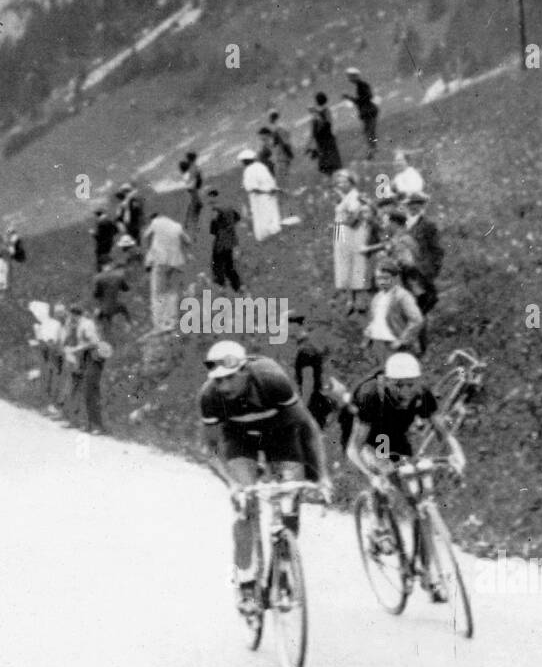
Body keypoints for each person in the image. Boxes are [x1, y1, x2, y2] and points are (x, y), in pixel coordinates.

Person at [199, 340, 333, 612]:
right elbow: (209, 449)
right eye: (218, 380)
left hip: (280, 435)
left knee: (289, 502)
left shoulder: (272, 381)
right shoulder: (209, 395)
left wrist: (322, 477)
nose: (223, 387)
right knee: (245, 505)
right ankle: (246, 582)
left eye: (229, 378)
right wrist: (233, 484)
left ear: (245, 371)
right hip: (240, 440)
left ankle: (283, 574)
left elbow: (308, 428)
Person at [343, 352, 465, 602]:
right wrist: (372, 474)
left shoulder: (421, 393)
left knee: (419, 502)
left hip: (396, 437)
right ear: (387, 381)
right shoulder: (371, 396)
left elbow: (441, 428)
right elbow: (355, 448)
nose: (406, 391)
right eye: (399, 385)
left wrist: (456, 453)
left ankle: (427, 573)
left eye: (411, 384)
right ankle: (379, 525)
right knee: (383, 471)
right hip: (370, 439)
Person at [364, 260, 424, 363]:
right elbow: (376, 320)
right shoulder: (377, 298)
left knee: (399, 375)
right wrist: (369, 332)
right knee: (382, 375)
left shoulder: (402, 296)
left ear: (395, 278)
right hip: (380, 345)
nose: (382, 282)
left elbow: (417, 320)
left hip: (398, 347)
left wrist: (402, 340)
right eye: (379, 278)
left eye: (386, 278)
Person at [60, 304, 107, 434]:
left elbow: (94, 342)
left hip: (94, 357)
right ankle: (83, 422)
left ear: (75, 315)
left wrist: (76, 349)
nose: (69, 318)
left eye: (70, 316)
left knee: (90, 390)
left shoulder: (87, 324)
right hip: (84, 358)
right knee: (78, 388)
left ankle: (97, 425)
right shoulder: (76, 324)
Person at [142, 212, 191, 332]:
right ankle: (172, 323)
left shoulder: (155, 222)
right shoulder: (177, 225)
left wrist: (149, 253)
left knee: (158, 293)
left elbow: (145, 236)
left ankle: (159, 325)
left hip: (160, 261)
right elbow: (188, 240)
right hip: (176, 262)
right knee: (172, 292)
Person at [331, 168, 370, 315]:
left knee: (353, 263)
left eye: (343, 181)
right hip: (340, 232)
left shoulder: (354, 196)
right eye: (338, 181)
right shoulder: (344, 196)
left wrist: (342, 223)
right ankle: (349, 298)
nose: (340, 184)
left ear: (351, 183)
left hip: (350, 233)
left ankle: (357, 300)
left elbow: (354, 216)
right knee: (342, 262)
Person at [403, 190, 443, 313]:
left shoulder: (428, 225)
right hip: (405, 268)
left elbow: (436, 250)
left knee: (422, 302)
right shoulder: (404, 224)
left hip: (421, 269)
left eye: (417, 203)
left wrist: (429, 270)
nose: (413, 206)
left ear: (422, 205)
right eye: (410, 204)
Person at [238, 148, 281, 241]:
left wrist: (264, 192)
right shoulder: (261, 166)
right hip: (270, 194)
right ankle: (275, 232)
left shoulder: (248, 171)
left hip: (259, 197)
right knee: (272, 214)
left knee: (261, 216)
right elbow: (270, 180)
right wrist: (271, 190)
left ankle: (265, 237)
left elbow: (252, 188)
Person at [209, 194, 242, 293]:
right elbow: (238, 217)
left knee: (217, 264)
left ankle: (221, 284)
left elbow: (213, 231)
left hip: (220, 244)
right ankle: (237, 286)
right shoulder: (230, 209)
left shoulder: (216, 215)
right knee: (229, 265)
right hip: (230, 242)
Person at [344, 67, 379, 160]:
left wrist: (350, 98)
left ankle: (373, 150)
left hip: (368, 112)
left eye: (351, 77)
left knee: (370, 132)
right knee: (369, 132)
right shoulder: (361, 86)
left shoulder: (362, 86)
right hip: (368, 112)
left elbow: (365, 98)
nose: (350, 79)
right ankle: (373, 150)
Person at [92, 254, 131, 335]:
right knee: (123, 308)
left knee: (98, 318)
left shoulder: (99, 278)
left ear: (101, 266)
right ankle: (128, 324)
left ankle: (100, 332)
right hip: (115, 306)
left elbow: (97, 294)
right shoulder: (119, 276)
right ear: (111, 264)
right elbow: (126, 289)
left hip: (103, 309)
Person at [306, 93, 343, 177]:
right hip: (324, 141)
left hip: (325, 140)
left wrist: (316, 113)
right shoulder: (323, 112)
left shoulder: (324, 112)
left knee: (329, 163)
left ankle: (334, 178)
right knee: (329, 163)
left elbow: (325, 125)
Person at [268, 110, 295, 182]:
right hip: (282, 153)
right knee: (284, 172)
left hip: (282, 153)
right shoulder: (281, 126)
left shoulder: (278, 128)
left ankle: (287, 186)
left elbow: (284, 142)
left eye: (269, 118)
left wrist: (288, 153)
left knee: (283, 173)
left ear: (272, 118)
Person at [180, 153, 204, 233]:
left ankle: (187, 223)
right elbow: (196, 177)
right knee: (196, 205)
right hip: (193, 188)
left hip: (192, 188)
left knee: (194, 205)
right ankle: (192, 225)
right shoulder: (192, 167)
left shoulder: (189, 166)